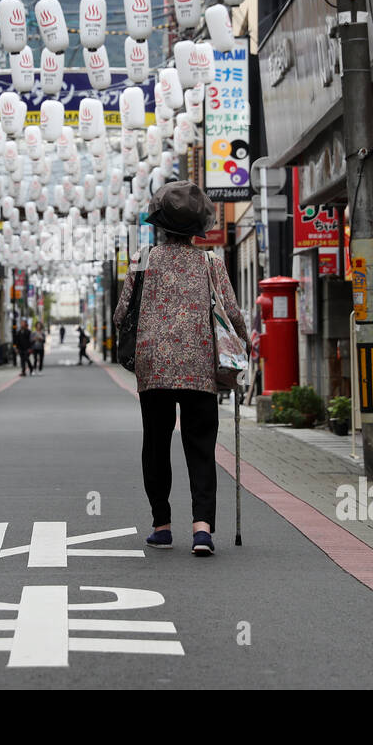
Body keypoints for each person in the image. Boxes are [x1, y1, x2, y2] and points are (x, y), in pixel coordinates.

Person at [114, 180, 249, 558]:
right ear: (198, 227)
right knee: (201, 446)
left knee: (156, 444)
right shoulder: (211, 263)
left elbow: (121, 313)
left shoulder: (143, 260)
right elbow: (233, 313)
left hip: (153, 367)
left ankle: (162, 526)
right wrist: (245, 342)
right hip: (200, 368)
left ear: (161, 223)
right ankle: (202, 529)